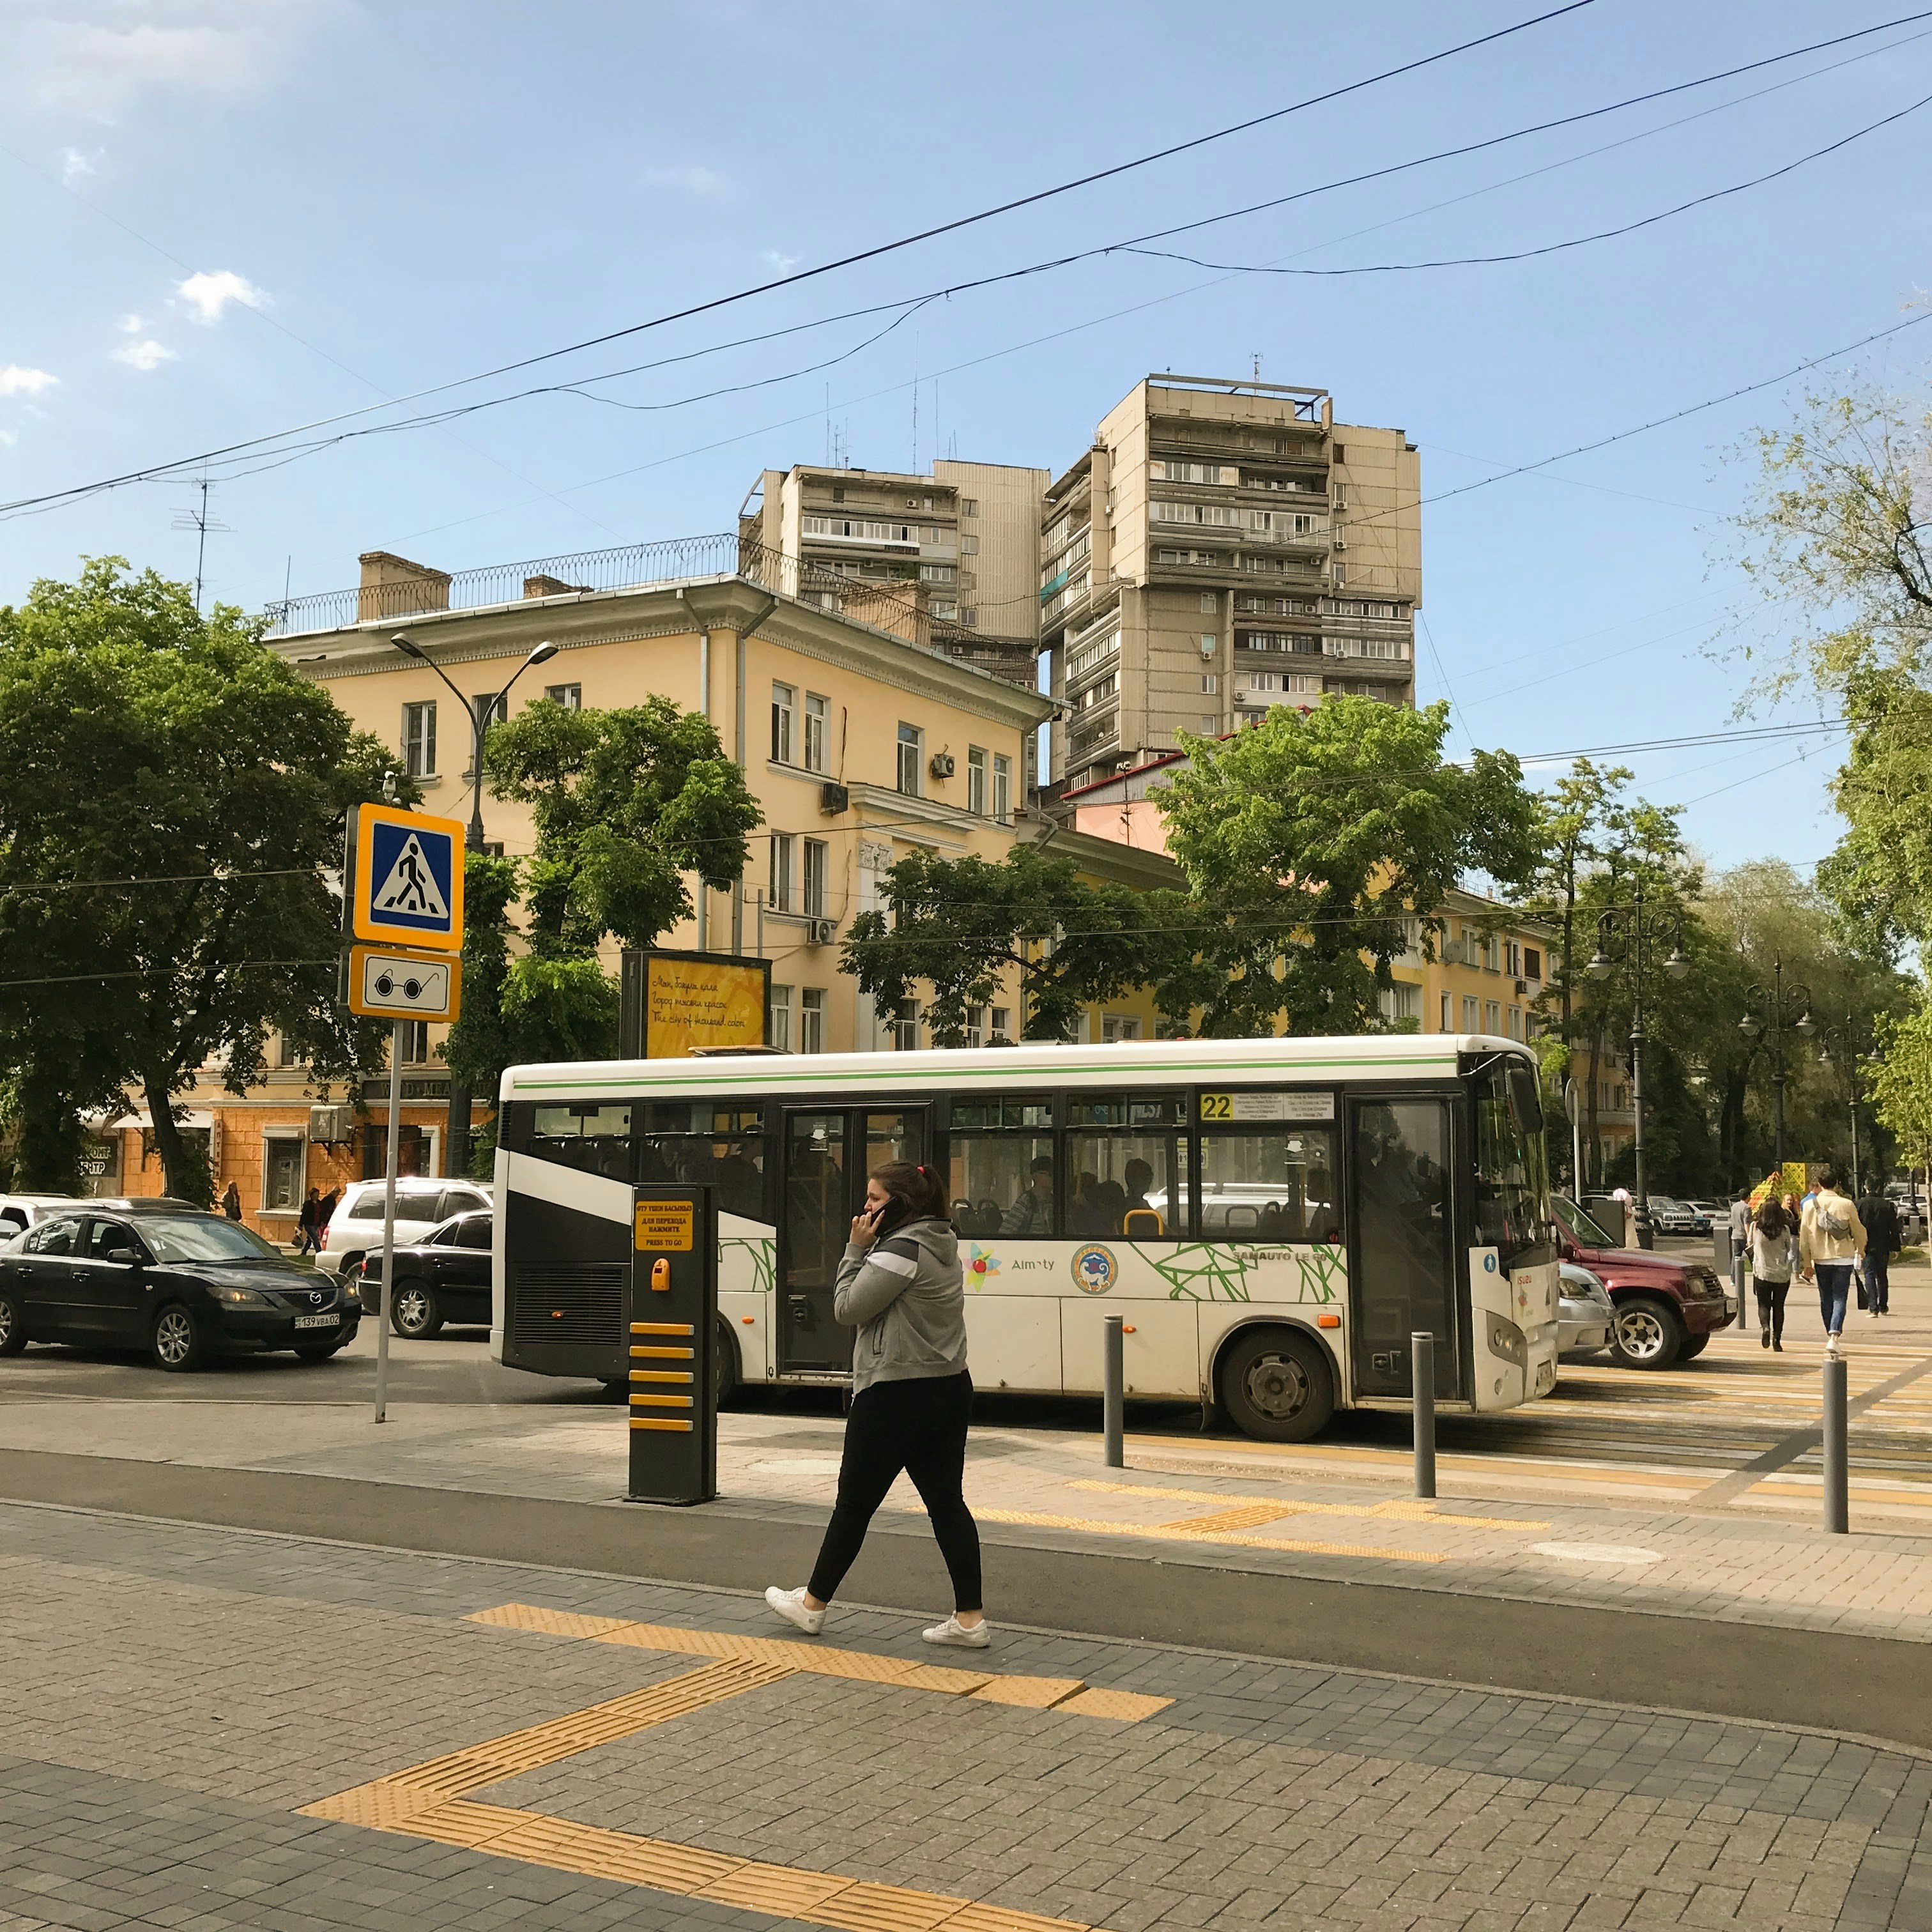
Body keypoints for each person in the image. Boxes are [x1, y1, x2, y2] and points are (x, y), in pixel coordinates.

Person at [766, 1161, 985, 1648]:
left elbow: (847, 1308)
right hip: (948, 1386)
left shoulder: (900, 1251)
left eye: (874, 1199)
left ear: (901, 1205)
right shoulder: (942, 1242)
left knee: (854, 1505)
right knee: (947, 1503)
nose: (864, 1208)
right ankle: (970, 1619)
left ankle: (812, 1606)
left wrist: (854, 1250)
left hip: (895, 1393)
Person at [1798, 1166, 1866, 1359]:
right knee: (1839, 1298)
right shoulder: (1846, 1204)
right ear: (1836, 1184)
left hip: (1821, 1259)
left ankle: (1830, 1333)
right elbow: (1859, 1230)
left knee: (1825, 1298)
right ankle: (1834, 1336)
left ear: (1818, 1184)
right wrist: (1860, 1250)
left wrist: (1807, 1263)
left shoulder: (1809, 1206)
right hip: (1843, 1257)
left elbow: (1804, 1237)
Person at [1749, 1195, 1798, 1352]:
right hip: (1782, 1274)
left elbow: (1750, 1244)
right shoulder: (1785, 1230)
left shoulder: (1756, 1227)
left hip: (1762, 1272)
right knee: (1779, 1307)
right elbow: (1789, 1248)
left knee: (1763, 1304)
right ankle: (1777, 1340)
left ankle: (1765, 1328)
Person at [1856, 1175, 1901, 1319]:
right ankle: (1883, 1306)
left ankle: (1873, 1307)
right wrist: (1896, 1247)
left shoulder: (1859, 1205)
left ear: (1865, 1187)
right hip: (1883, 1244)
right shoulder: (1887, 1205)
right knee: (1882, 1275)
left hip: (1866, 1244)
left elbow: (1856, 1227)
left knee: (1869, 1274)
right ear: (1878, 1188)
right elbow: (1894, 1228)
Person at [999, 1155, 1055, 1237]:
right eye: (1049, 1174)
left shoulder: (1055, 1201)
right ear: (1035, 1176)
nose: (1053, 1177)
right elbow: (1005, 1233)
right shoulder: (1027, 1200)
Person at [296, 1188, 322, 1254]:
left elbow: (321, 1213)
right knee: (315, 1238)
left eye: (318, 1194)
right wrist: (301, 1224)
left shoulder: (319, 1203)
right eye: (316, 1194)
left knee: (309, 1239)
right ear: (312, 1195)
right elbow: (304, 1214)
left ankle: (303, 1252)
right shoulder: (308, 1204)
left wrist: (321, 1222)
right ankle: (319, 1252)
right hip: (309, 1224)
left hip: (316, 1223)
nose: (317, 1195)